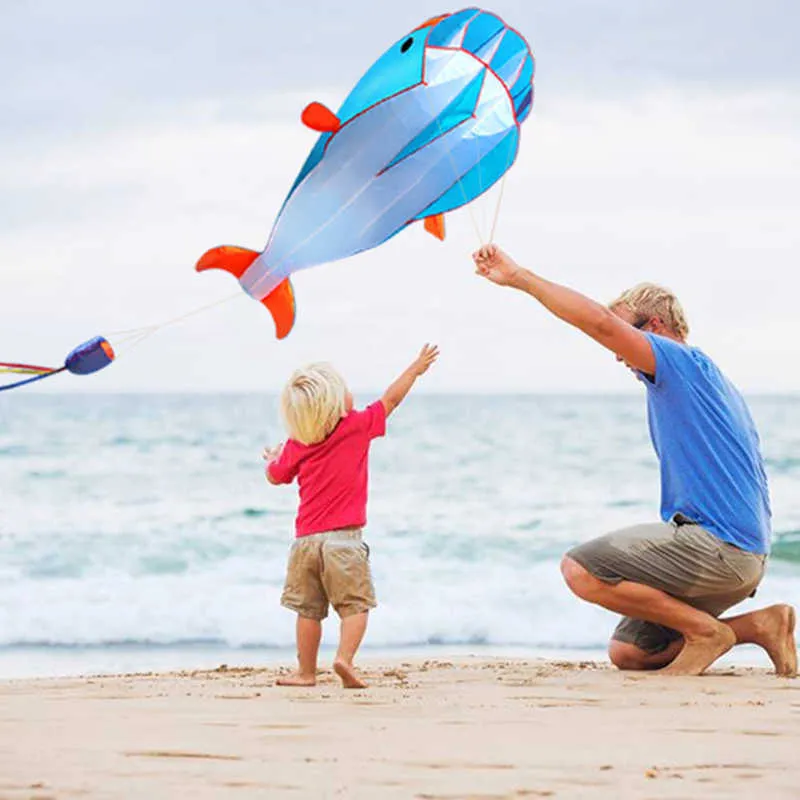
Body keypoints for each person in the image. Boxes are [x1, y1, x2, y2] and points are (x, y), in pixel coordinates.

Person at [473, 244, 796, 677]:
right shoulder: (706, 381)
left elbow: (600, 323)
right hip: (742, 557)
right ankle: (759, 625)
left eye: (629, 334)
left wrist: (520, 278)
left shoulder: (679, 362)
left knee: (580, 570)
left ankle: (708, 634)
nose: (618, 352)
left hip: (720, 550)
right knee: (630, 652)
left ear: (656, 325)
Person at [264, 345, 439, 688]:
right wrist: (414, 369)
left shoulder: (299, 442)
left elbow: (276, 476)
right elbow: (391, 400)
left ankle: (305, 673)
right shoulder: (356, 426)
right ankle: (344, 659)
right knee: (355, 607)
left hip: (305, 544)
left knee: (308, 611)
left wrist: (273, 457)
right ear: (335, 401)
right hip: (344, 541)